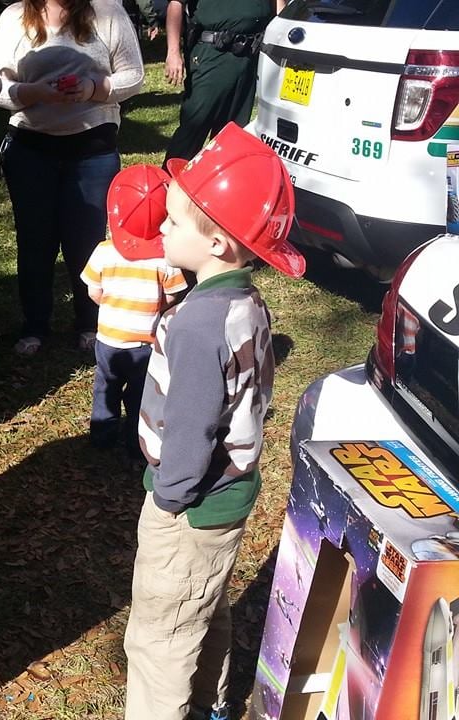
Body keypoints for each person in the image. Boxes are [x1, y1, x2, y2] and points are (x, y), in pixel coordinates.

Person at [123, 122, 306, 720]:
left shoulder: (198, 326)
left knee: (159, 639)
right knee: (203, 610)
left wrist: (170, 499)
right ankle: (211, 704)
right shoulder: (243, 301)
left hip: (191, 506)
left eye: (174, 222)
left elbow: (192, 427)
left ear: (220, 244)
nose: (163, 228)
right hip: (227, 499)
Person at [0, 0, 145, 357]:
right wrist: (37, 93)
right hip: (31, 148)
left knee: (86, 242)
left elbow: (134, 75)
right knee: (34, 242)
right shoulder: (14, 17)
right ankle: (35, 325)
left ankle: (89, 322)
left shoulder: (107, 12)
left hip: (93, 148)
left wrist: (93, 88)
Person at [80, 164, 186, 462]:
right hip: (146, 346)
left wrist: (113, 302)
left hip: (109, 340)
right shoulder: (167, 259)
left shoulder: (103, 251)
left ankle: (102, 436)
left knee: (106, 386)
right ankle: (135, 443)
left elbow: (93, 291)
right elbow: (172, 296)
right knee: (140, 395)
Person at [163, 0, 284, 162]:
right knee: (195, 124)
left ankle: (216, 181)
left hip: (249, 55)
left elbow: (279, 6)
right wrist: (173, 52)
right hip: (213, 53)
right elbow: (175, 4)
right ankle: (170, 181)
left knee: (233, 132)